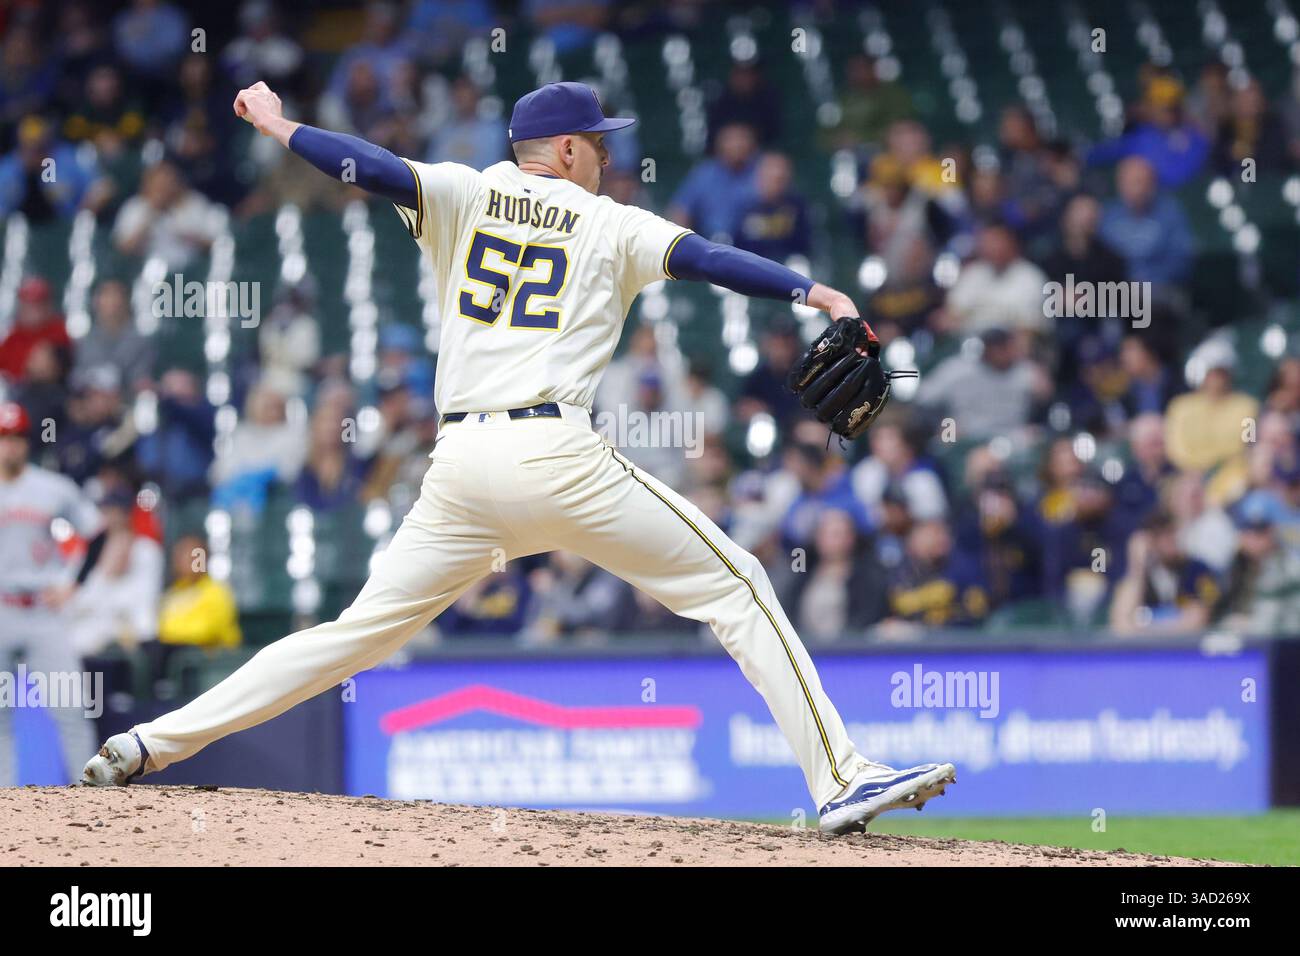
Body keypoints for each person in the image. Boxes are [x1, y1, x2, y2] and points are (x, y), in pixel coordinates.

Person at [83, 79, 955, 835]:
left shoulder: (464, 190)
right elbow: (712, 261)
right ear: (569, 149)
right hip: (553, 453)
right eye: (600, 145)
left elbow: (371, 165)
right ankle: (841, 777)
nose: (608, 158)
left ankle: (150, 742)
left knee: (350, 637)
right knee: (736, 587)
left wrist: (277, 126)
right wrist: (817, 292)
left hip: (458, 466)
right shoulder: (613, 223)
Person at [0, 403, 103, 786]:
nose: (10, 446)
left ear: (28, 442)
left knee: (72, 708)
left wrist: (73, 583)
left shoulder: (51, 487)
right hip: (1, 610)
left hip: (43, 610)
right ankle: (5, 806)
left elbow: (97, 531)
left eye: (16, 438)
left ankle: (93, 796)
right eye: (4, 438)